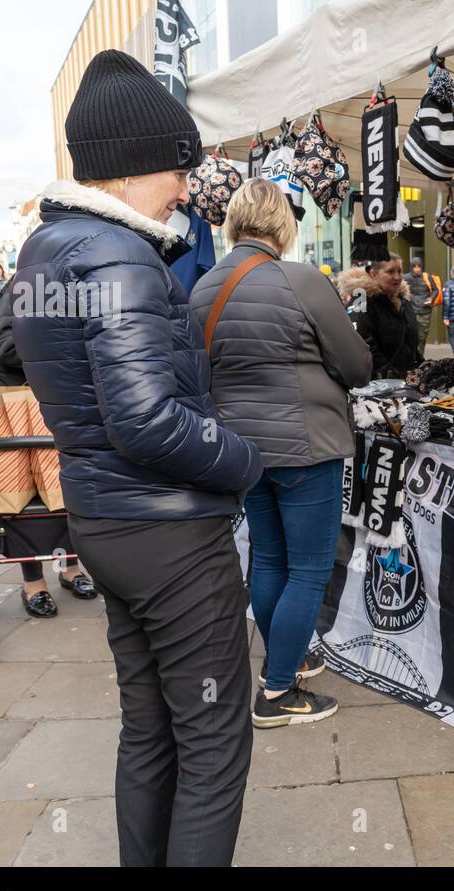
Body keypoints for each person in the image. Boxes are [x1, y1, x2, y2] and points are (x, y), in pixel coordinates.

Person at [10, 50, 263, 867]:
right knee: (215, 738)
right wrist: (243, 462)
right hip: (168, 533)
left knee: (150, 728)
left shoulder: (51, 248)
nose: (187, 189)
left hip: (108, 522)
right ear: (131, 166)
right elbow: (148, 421)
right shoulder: (116, 256)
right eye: (178, 168)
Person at [192, 178, 372, 729]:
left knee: (268, 559)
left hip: (239, 450)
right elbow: (357, 367)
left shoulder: (203, 288)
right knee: (310, 569)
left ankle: (288, 660)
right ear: (283, 225)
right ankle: (276, 692)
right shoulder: (300, 280)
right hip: (304, 445)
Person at [0, 282, 97, 616]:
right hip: (9, 396)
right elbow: (10, 347)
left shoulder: (62, 286)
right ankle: (33, 583)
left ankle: (69, 569)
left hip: (44, 394)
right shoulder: (27, 287)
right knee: (21, 492)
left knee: (61, 483)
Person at [349, 254, 424, 378]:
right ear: (373, 274)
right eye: (390, 271)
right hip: (375, 386)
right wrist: (391, 375)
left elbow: (410, 346)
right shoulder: (361, 302)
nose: (397, 277)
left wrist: (422, 367)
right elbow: (363, 347)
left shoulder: (404, 301)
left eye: (399, 271)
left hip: (405, 384)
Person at [402, 256, 442, 334]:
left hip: (425, 309)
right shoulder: (405, 278)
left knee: (423, 334)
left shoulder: (427, 276)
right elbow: (400, 291)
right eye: (414, 267)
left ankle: (420, 346)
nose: (417, 269)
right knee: (412, 332)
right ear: (411, 267)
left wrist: (431, 298)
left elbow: (436, 290)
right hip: (411, 309)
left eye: (419, 266)